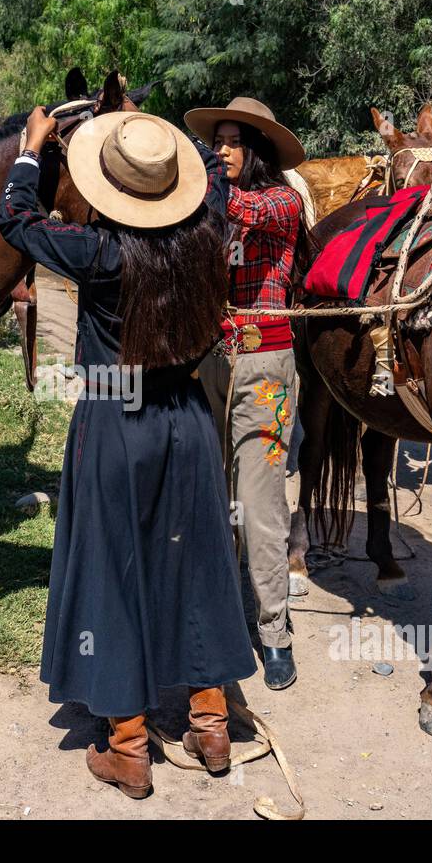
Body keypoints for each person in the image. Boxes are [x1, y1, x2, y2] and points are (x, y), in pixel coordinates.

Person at [0, 104, 257, 800]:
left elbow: (16, 219)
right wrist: (160, 132)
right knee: (198, 560)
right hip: (188, 419)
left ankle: (129, 746)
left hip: (116, 420)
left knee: (113, 568)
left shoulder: (96, 251)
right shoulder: (209, 234)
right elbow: (214, 181)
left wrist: (29, 149)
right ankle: (210, 728)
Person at [183, 98, 306, 689]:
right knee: (212, 497)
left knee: (260, 504)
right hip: (209, 360)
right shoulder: (207, 202)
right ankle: (223, 612)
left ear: (255, 150)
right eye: (218, 142)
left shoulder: (281, 201)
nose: (222, 151)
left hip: (265, 367)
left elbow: (237, 207)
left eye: (233, 142)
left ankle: (275, 631)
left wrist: (201, 173)